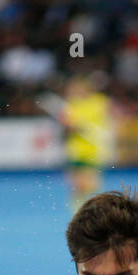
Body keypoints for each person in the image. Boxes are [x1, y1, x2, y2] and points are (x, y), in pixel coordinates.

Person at [58, 74, 113, 212]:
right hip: (76, 149)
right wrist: (70, 126)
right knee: (76, 184)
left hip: (93, 148)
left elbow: (107, 120)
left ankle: (94, 210)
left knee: (90, 183)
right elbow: (67, 127)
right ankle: (77, 211)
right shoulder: (71, 105)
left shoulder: (100, 102)